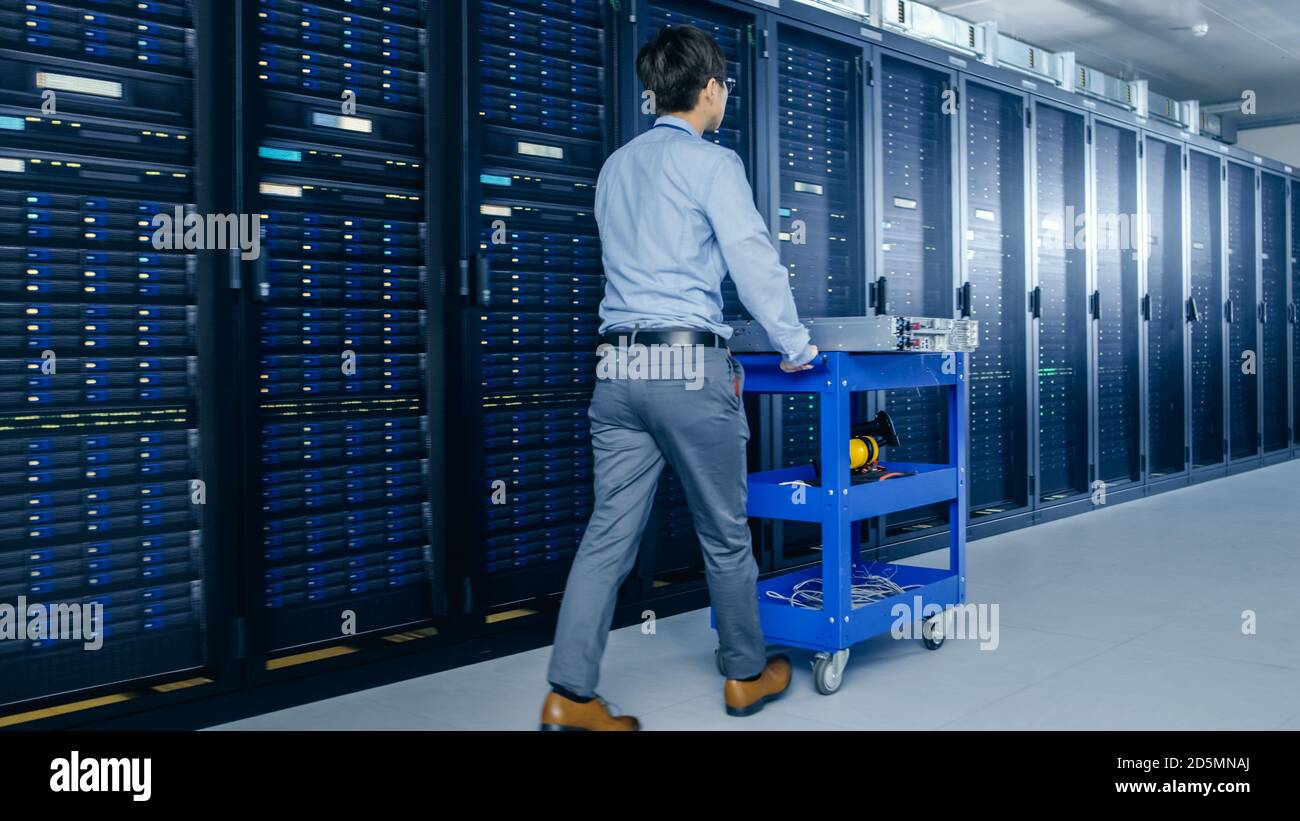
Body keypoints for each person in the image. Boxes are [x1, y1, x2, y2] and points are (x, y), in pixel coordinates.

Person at [539, 24, 819, 731]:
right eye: (723, 86)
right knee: (724, 534)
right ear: (711, 88)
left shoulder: (615, 166)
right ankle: (745, 676)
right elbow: (753, 260)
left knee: (606, 535)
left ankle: (567, 695)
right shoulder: (712, 163)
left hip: (617, 367)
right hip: (686, 366)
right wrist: (794, 344)